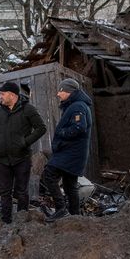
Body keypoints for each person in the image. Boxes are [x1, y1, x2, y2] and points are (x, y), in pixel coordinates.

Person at [0, 81, 47, 224]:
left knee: (21, 192)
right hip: (3, 159)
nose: (0, 96)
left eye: (3, 94)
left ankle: (21, 222)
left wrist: (25, 142)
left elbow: (41, 128)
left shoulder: (28, 109)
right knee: (4, 192)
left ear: (12, 95)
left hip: (22, 158)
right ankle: (6, 222)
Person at [42, 77, 93, 221]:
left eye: (61, 90)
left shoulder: (78, 106)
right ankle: (75, 216)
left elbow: (79, 127)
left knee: (49, 174)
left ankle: (61, 209)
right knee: (69, 184)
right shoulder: (76, 105)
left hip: (71, 152)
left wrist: (61, 133)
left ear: (69, 91)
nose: (58, 94)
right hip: (74, 152)